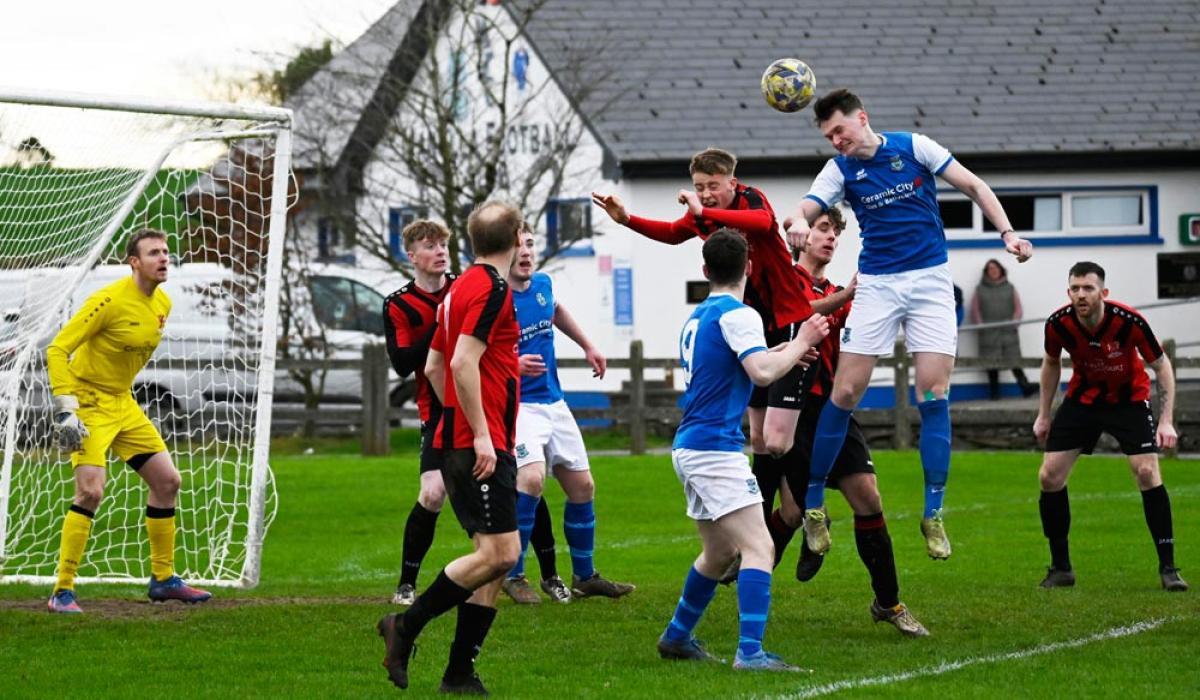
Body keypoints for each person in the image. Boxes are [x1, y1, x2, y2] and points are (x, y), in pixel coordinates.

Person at [783, 88, 1034, 560]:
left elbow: (975, 187)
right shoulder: (839, 170)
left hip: (930, 282)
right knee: (845, 393)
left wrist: (1007, 232)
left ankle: (933, 515)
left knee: (933, 394)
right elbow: (806, 206)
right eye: (828, 135)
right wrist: (796, 221)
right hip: (877, 284)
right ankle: (814, 504)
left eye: (840, 129)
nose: (835, 140)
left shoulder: (914, 147)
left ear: (862, 117)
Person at [592, 147, 814, 531]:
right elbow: (673, 233)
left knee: (778, 438)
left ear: (732, 181)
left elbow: (762, 224)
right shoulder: (705, 217)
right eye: (699, 187)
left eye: (713, 186)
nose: (706, 193)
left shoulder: (750, 199)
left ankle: (809, 510)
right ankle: (764, 523)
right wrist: (627, 219)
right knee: (760, 437)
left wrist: (702, 211)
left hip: (789, 317)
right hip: (754, 325)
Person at [657, 228, 828, 671]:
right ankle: (750, 652)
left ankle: (676, 636)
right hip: (714, 450)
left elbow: (740, 364)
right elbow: (763, 373)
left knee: (718, 554)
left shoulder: (700, 316)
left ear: (705, 270)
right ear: (749, 269)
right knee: (760, 548)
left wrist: (785, 349)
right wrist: (803, 340)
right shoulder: (741, 314)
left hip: (690, 446)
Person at [377, 201, 524, 694]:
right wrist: (478, 432)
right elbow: (460, 364)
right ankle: (406, 625)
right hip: (480, 441)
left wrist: (455, 422)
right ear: (518, 235)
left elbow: (435, 366)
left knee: (496, 559)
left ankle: (460, 672)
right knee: (501, 552)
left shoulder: (458, 288)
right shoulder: (492, 289)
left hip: (459, 436)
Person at [766, 208, 928, 637]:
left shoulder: (841, 291)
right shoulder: (781, 281)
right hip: (789, 410)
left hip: (833, 409)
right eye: (823, 229)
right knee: (795, 509)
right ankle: (751, 570)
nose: (831, 238)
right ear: (801, 236)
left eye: (836, 232)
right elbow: (794, 313)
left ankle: (888, 603)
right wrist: (849, 295)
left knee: (868, 497)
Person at [45, 228, 212, 614]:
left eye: (166, 252)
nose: (164, 258)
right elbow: (58, 349)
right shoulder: (107, 300)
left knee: (168, 481)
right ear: (134, 262)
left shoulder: (163, 304)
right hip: (88, 403)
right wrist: (66, 408)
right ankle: (62, 591)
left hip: (123, 403)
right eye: (154, 252)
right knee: (90, 491)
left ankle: (163, 579)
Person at [1033, 261, 1187, 592]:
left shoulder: (1129, 321)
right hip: (1082, 402)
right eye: (1075, 288)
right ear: (1068, 293)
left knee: (1146, 472)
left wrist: (1166, 419)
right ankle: (1061, 569)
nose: (1080, 294)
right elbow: (1050, 364)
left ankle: (1169, 568)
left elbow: (1162, 367)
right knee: (1049, 476)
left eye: (1088, 288)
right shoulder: (1058, 324)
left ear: (1103, 292)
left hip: (1129, 401)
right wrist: (1044, 414)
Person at [501, 227, 635, 604]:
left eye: (529, 244)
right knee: (530, 480)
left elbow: (555, 310)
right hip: (520, 407)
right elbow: (476, 354)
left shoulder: (542, 285)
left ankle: (585, 575)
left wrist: (589, 345)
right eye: (517, 246)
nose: (525, 252)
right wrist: (512, 363)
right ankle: (513, 575)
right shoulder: (496, 297)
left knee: (583, 488)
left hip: (555, 404)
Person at [382, 220, 457, 606]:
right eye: (430, 246)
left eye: (444, 244)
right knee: (432, 493)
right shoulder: (397, 304)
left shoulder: (464, 288)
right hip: (437, 410)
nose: (440, 251)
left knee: (517, 484)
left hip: (479, 404)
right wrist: (441, 326)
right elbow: (401, 362)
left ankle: (540, 574)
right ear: (411, 256)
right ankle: (406, 583)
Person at [971, 258, 1036, 399]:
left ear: (1001, 270)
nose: (993, 271)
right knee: (991, 363)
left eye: (995, 268)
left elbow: (1018, 307)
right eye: (990, 269)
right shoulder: (980, 289)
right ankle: (994, 393)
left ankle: (1025, 387)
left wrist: (1014, 323)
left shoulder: (1010, 287)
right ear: (986, 272)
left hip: (1007, 331)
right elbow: (975, 310)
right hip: (989, 332)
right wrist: (981, 326)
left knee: (1014, 360)